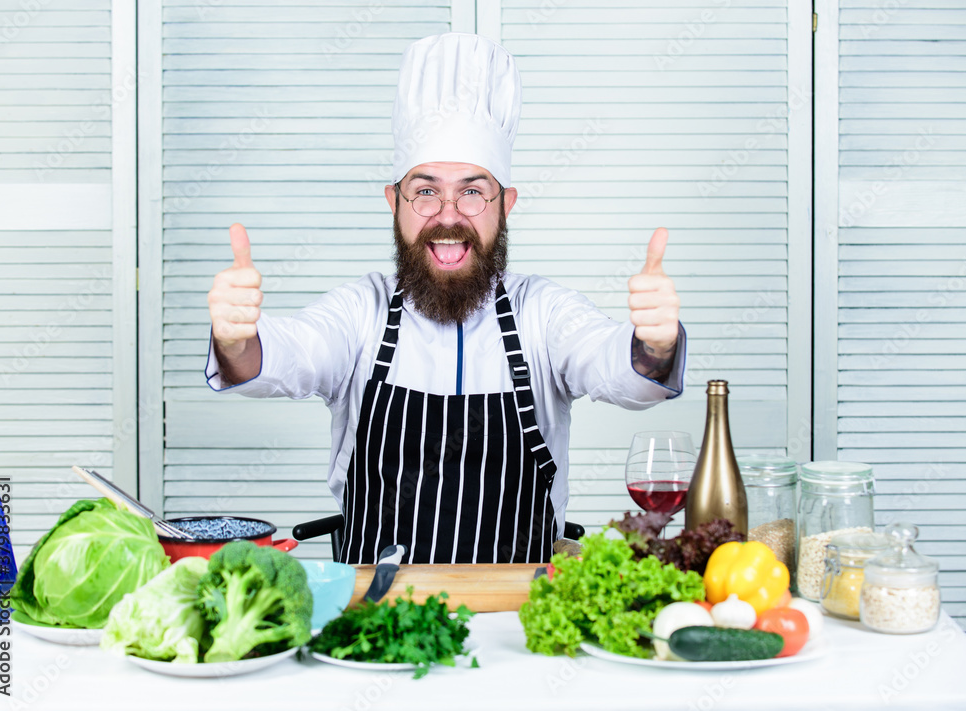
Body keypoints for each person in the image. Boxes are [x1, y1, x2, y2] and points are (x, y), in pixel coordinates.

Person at [205, 33, 686, 565]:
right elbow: (284, 356)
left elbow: (616, 367)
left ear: (506, 206)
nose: (449, 213)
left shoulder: (543, 314)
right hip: (375, 618)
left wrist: (654, 343)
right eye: (426, 190)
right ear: (395, 203)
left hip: (521, 618)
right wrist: (237, 338)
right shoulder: (359, 312)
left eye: (474, 191)